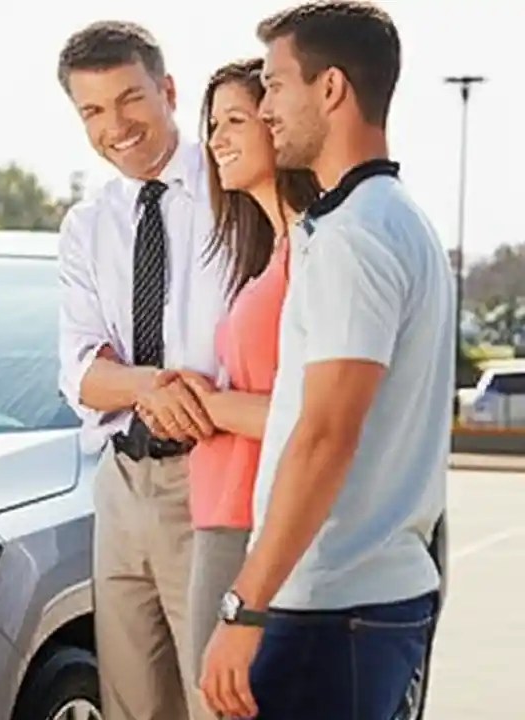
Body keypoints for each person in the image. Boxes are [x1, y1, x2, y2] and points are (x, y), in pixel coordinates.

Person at [197, 2, 453, 719]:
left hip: (328, 606)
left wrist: (244, 607)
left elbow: (325, 435)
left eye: (276, 86)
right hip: (366, 602)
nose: (266, 107)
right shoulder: (396, 220)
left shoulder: (356, 237)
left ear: (331, 89)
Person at [55, 20, 229, 720]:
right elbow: (80, 372)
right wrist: (154, 386)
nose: (115, 127)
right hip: (122, 482)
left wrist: (130, 381)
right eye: (92, 111)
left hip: (212, 477)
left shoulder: (234, 196)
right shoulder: (88, 225)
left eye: (130, 100)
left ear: (169, 91)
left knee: (216, 698)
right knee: (133, 704)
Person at [144, 57, 320, 685]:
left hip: (253, 519)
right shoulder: (272, 251)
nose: (215, 138)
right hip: (221, 509)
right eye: (212, 122)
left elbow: (305, 414)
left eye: (236, 120)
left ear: (279, 122)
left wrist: (205, 404)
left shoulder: (312, 251)